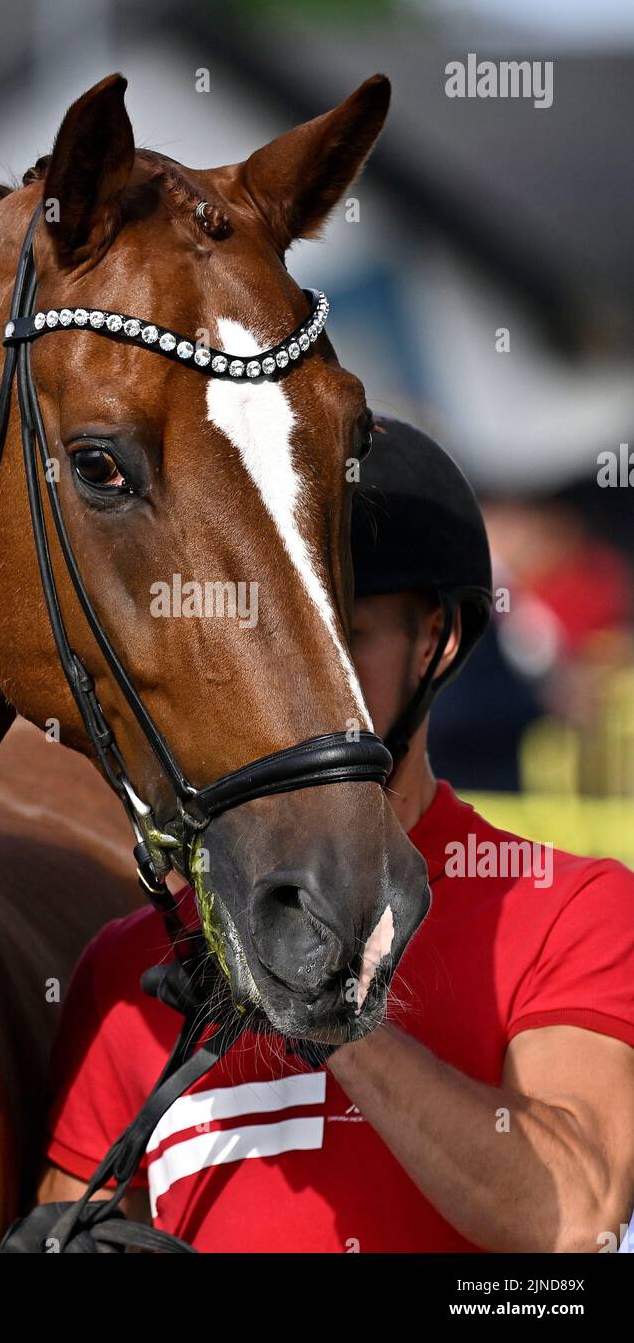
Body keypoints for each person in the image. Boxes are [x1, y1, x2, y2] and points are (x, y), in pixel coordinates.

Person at [37, 418, 634, 1254]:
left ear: (438, 639)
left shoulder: (569, 909)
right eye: (264, 640)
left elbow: (574, 1216)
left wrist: (338, 1024)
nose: (295, 690)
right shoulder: (130, 966)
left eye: (340, 638)